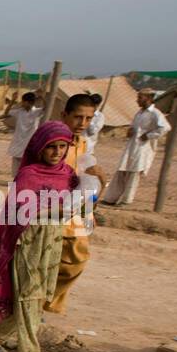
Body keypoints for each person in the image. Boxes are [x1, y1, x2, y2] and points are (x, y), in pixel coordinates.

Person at [0, 121, 77, 352]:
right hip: (28, 242)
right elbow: (18, 211)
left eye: (62, 147)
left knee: (38, 298)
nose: (57, 152)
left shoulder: (68, 174)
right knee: (29, 297)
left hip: (54, 243)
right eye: (51, 147)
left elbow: (82, 201)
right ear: (39, 148)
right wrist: (50, 210)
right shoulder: (28, 175)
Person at [45, 93, 108, 315]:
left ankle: (44, 303)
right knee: (45, 262)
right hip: (49, 209)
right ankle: (31, 309)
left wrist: (91, 207)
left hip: (73, 211)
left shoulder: (83, 143)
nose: (83, 123)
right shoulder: (53, 142)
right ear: (65, 115)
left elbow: (85, 181)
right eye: (78, 117)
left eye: (88, 119)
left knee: (75, 260)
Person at [102, 88, 170, 206]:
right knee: (121, 172)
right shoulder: (139, 113)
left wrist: (149, 135)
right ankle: (110, 199)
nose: (137, 100)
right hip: (131, 146)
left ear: (148, 99)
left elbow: (165, 128)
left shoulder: (155, 113)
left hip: (142, 148)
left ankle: (126, 201)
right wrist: (130, 132)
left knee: (133, 175)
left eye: (140, 97)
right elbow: (133, 127)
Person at [5, 91, 42, 177]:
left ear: (29, 102)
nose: (22, 103)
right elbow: (7, 113)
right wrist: (12, 101)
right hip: (18, 141)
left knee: (28, 163)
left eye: (24, 101)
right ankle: (16, 180)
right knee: (16, 164)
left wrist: (42, 97)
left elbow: (46, 108)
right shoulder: (20, 112)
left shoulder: (36, 112)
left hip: (29, 142)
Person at [83, 93, 105, 166]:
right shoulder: (82, 113)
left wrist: (90, 118)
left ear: (97, 105)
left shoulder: (100, 117)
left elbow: (92, 132)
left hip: (88, 148)